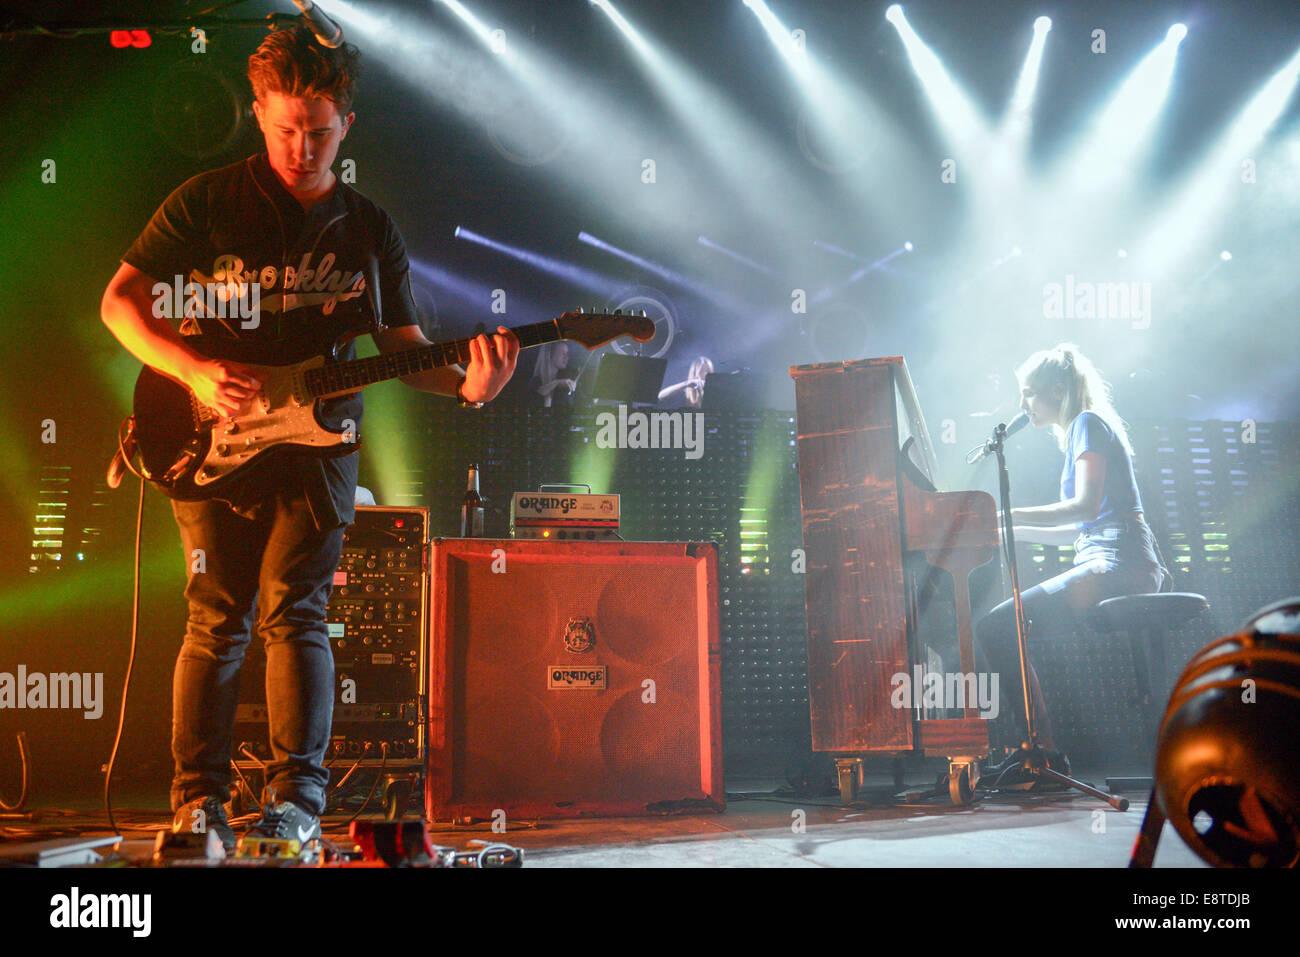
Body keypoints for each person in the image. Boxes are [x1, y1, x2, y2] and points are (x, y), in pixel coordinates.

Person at [100, 25, 518, 851]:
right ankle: (199, 804)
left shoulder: (367, 228)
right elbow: (119, 304)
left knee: (299, 615)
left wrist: (470, 386)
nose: (301, 145)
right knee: (216, 617)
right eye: (286, 126)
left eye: (320, 131)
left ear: (348, 127)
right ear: (257, 113)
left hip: (321, 443)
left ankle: (297, 801)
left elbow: (407, 354)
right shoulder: (206, 200)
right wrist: (192, 371)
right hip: (209, 436)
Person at [975, 343, 1163, 779]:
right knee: (1002, 627)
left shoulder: (1086, 422)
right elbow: (1077, 526)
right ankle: (1040, 750)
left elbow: (1082, 508)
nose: (1023, 405)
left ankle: (1041, 752)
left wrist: (1007, 515)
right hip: (1116, 559)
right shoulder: (1085, 427)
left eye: (1028, 393)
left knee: (998, 626)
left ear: (1057, 391)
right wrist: (1005, 529)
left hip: (1118, 562)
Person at [529, 340, 577, 407]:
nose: (566, 357)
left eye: (567, 354)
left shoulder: (564, 382)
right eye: (563, 353)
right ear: (550, 355)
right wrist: (556, 383)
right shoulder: (536, 381)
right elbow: (540, 392)